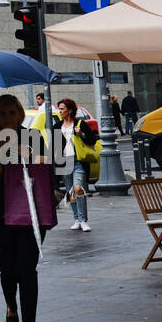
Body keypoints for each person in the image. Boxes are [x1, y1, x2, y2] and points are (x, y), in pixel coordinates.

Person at [0, 94, 55, 322]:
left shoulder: (33, 138)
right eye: (3, 114)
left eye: (12, 113)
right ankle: (11, 306)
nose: (8, 118)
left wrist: (31, 157)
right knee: (7, 269)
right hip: (0, 214)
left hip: (30, 214)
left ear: (20, 114)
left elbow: (47, 173)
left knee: (27, 270)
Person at [56, 98, 97, 232]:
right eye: (59, 109)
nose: (60, 111)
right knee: (70, 192)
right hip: (65, 161)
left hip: (79, 160)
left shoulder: (80, 123)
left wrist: (81, 134)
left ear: (70, 110)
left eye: (62, 109)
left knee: (78, 188)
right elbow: (55, 146)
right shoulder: (58, 126)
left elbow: (92, 141)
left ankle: (83, 220)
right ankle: (76, 219)